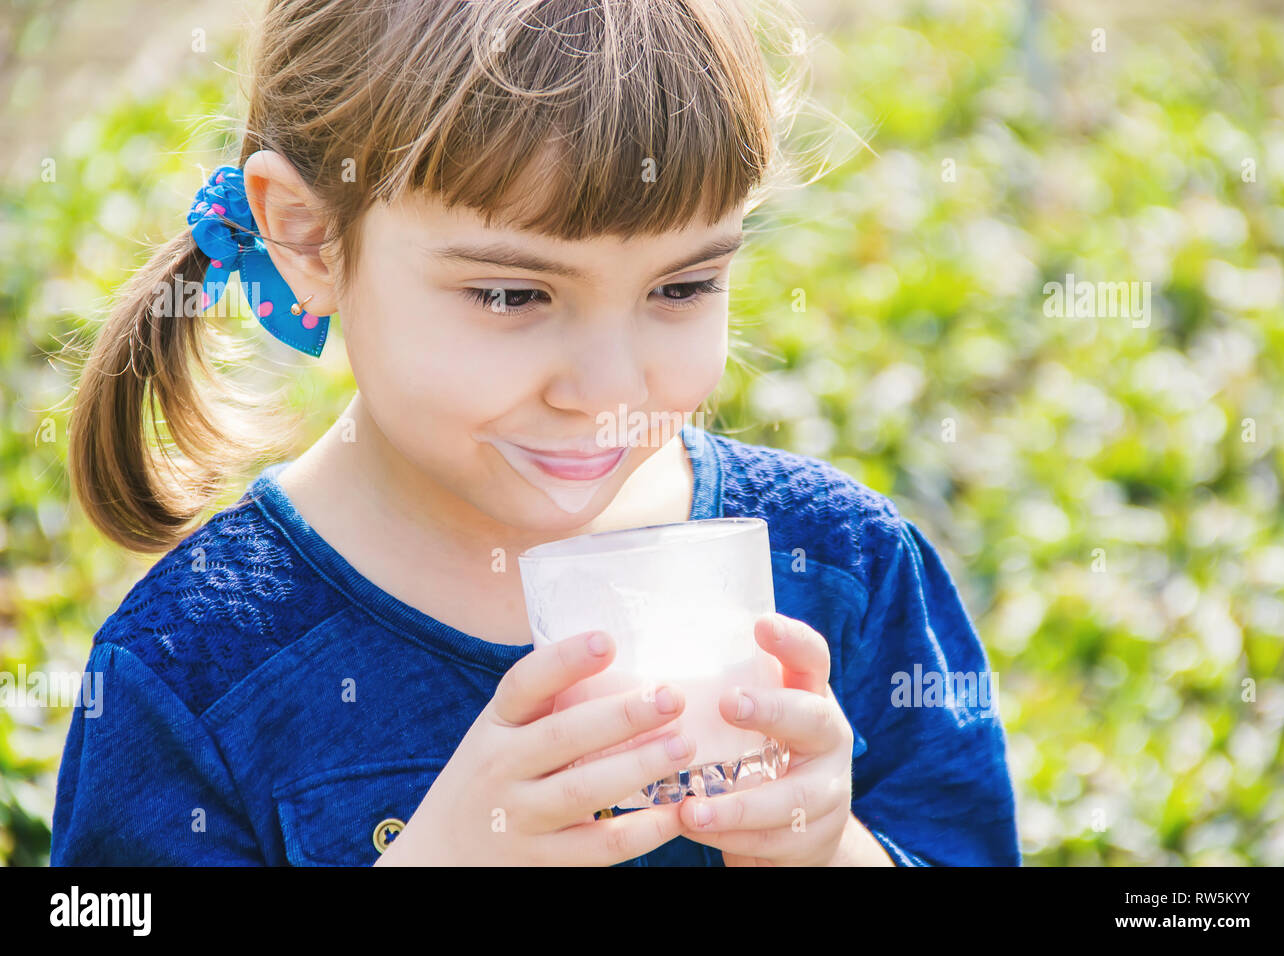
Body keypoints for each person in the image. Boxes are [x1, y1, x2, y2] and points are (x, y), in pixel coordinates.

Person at [51, 0, 1019, 866]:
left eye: (681, 287)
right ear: (306, 238)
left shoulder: (842, 571)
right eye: (512, 293)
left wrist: (831, 850)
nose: (607, 389)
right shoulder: (196, 669)